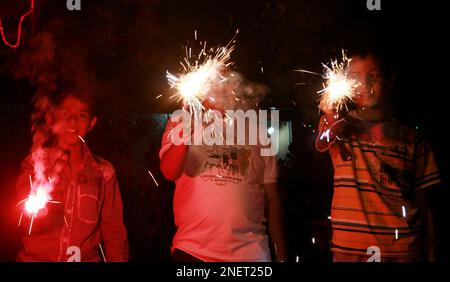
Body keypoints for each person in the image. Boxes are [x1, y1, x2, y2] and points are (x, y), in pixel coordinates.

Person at [316, 50, 442, 262]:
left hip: (402, 252)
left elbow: (427, 204)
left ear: (390, 80)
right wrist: (329, 113)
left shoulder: (412, 138)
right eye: (355, 78)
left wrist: (432, 250)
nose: (364, 84)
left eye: (374, 75)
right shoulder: (341, 128)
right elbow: (325, 139)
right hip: (349, 252)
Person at [159, 72, 287, 262]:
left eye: (228, 81)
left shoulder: (257, 131)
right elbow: (169, 172)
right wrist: (186, 131)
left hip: (251, 254)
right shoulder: (182, 121)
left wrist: (281, 257)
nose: (222, 86)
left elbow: (272, 199)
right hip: (193, 251)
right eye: (215, 80)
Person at [16, 86, 129, 262]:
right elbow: (21, 215)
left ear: (91, 123)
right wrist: (36, 213)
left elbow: (113, 229)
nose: (73, 121)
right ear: (50, 120)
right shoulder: (34, 164)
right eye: (65, 114)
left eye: (82, 115)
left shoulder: (104, 172)